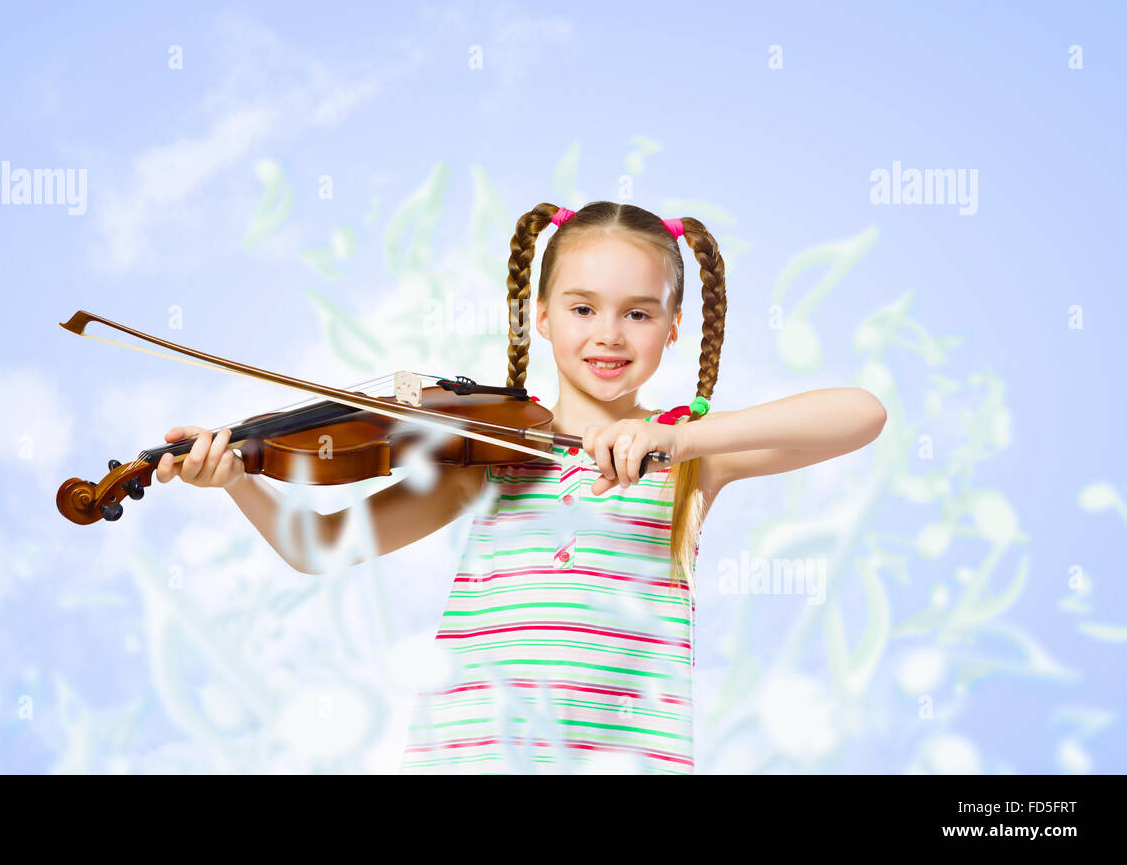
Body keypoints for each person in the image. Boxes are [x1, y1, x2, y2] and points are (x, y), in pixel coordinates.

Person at [153, 201, 887, 773]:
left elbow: (861, 414)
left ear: (672, 329)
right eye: (582, 308)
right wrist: (237, 479)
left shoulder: (685, 460)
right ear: (540, 316)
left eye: (639, 313)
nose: (610, 334)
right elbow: (316, 545)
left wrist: (681, 436)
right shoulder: (483, 457)